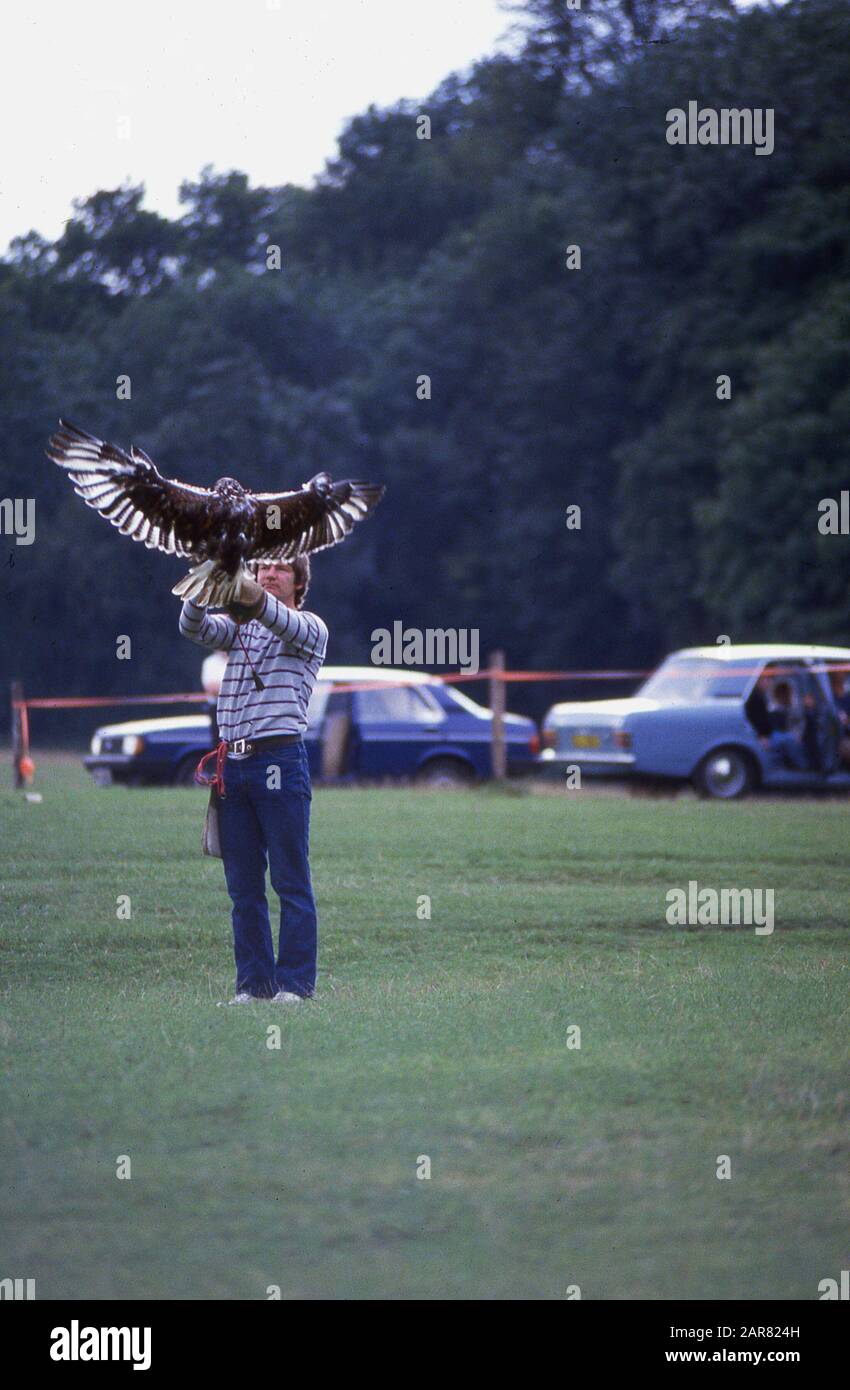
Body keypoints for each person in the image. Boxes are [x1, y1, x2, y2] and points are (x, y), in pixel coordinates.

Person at [178, 556, 328, 1004]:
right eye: (261, 566)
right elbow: (194, 628)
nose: (268, 573)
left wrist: (247, 592)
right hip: (233, 765)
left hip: (278, 758)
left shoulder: (310, 627)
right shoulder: (241, 627)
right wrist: (202, 579)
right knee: (243, 887)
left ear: (299, 581)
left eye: (282, 567)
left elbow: (275, 616)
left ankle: (296, 985)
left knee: (289, 879)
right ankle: (254, 985)